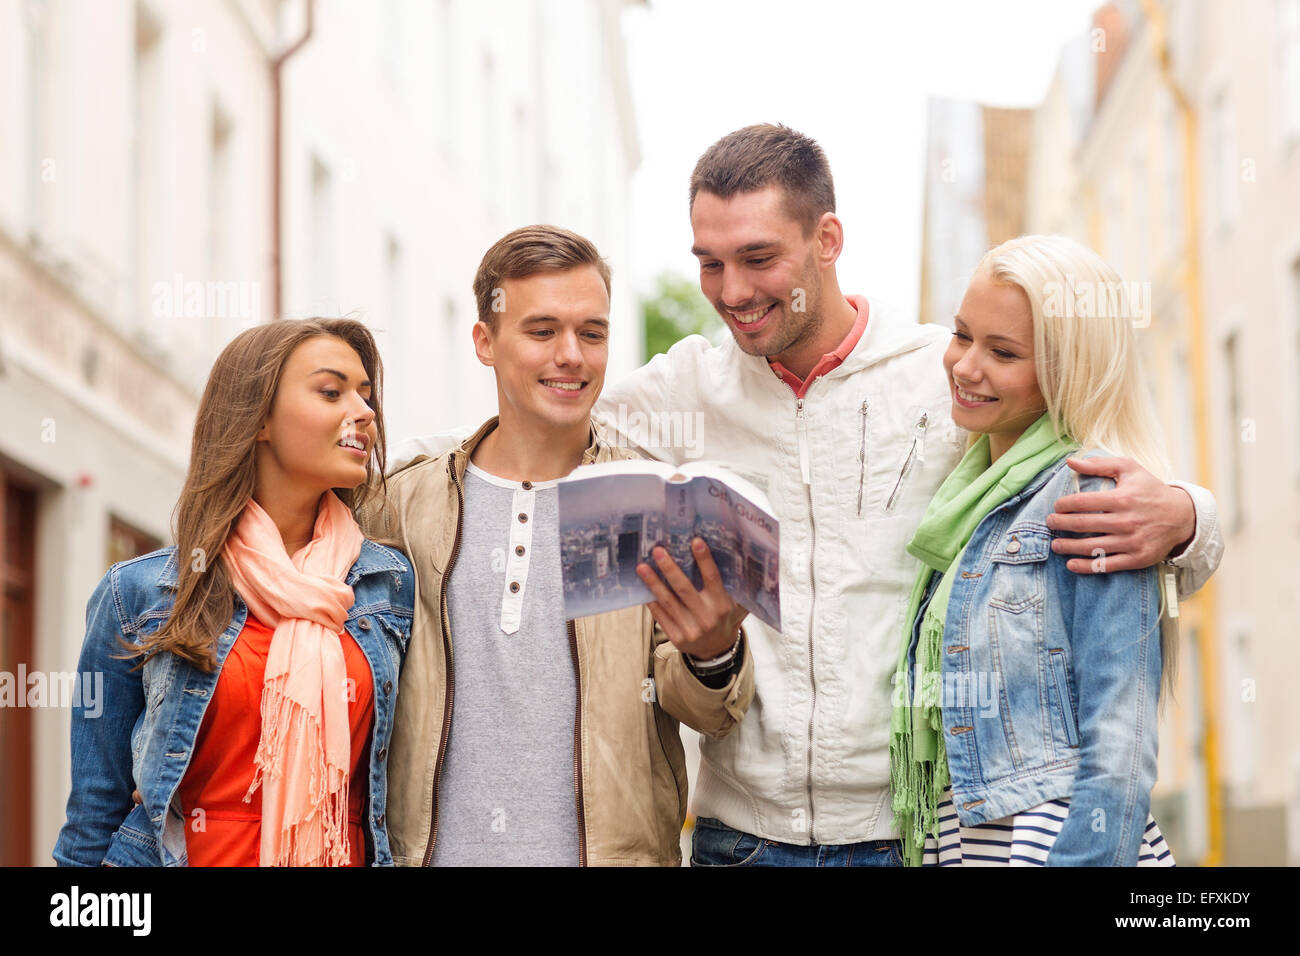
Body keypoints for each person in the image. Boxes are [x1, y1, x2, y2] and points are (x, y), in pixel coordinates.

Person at [391, 124, 1223, 866]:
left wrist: (1188, 516)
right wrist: (388, 476)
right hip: (738, 838)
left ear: (827, 238)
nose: (731, 290)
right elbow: (528, 421)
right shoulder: (679, 390)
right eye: (709, 263)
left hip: (914, 834)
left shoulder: (947, 373)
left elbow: (1078, 468)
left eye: (759, 258)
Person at [361, 225, 754, 867]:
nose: (571, 354)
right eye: (542, 331)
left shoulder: (652, 502)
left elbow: (709, 714)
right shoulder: (401, 503)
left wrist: (713, 656)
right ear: (485, 342)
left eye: (591, 333)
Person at [54, 318, 415, 867]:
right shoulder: (141, 594)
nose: (365, 412)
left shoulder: (387, 585)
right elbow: (95, 808)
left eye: (366, 396)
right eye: (331, 391)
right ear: (258, 420)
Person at [891, 234, 1179, 866]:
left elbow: (1121, 747)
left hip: (1054, 845)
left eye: (1004, 352)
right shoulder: (962, 496)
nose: (966, 367)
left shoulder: (1092, 497)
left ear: (1064, 369)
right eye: (963, 335)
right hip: (964, 840)